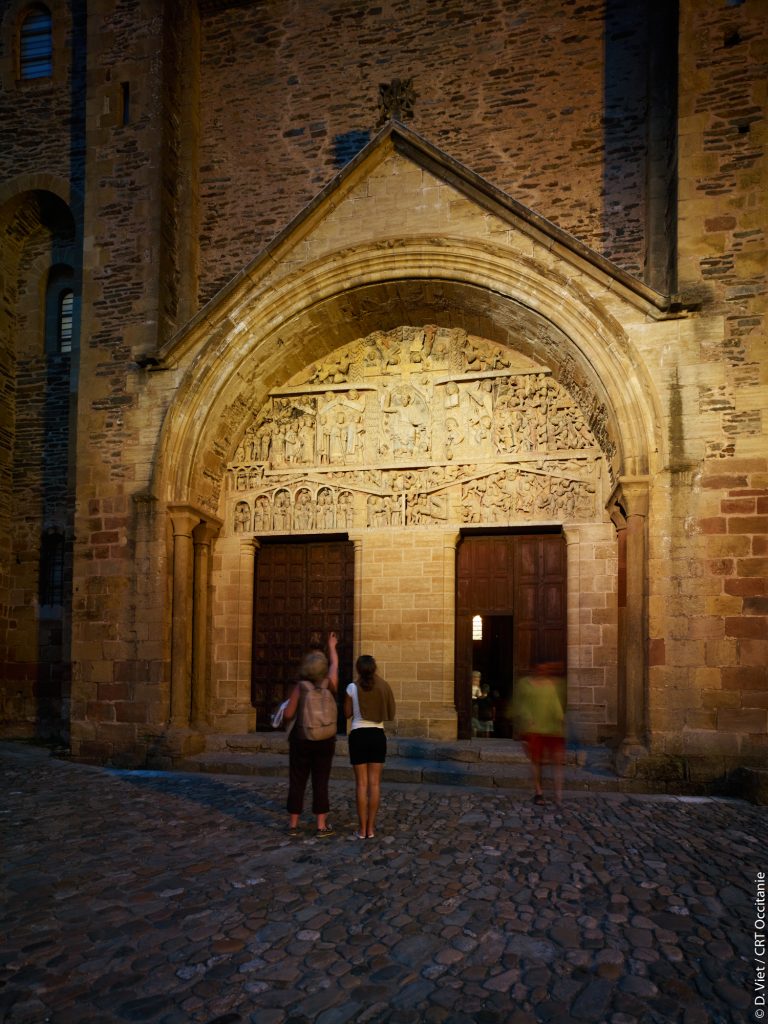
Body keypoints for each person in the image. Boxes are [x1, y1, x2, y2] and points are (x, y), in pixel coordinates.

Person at [283, 632, 339, 837]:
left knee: (298, 780)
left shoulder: (301, 687)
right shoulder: (329, 684)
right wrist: (332, 647)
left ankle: (293, 825)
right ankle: (321, 825)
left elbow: (289, 713)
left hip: (301, 739)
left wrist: (285, 712)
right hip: (325, 740)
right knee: (321, 781)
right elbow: (335, 667)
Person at [344, 654, 396, 839]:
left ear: (358, 669)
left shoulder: (352, 687)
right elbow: (389, 710)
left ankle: (362, 828)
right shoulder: (383, 686)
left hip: (358, 735)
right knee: (374, 784)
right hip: (377, 735)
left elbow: (347, 714)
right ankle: (371, 828)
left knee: (361, 784)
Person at [513, 661, 566, 805]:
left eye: (545, 669)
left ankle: (558, 794)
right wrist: (526, 720)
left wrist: (560, 721)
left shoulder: (550, 685)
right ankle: (539, 792)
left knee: (557, 762)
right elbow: (520, 704)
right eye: (540, 669)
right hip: (533, 730)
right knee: (536, 762)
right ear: (534, 669)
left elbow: (555, 705)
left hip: (552, 729)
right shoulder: (524, 684)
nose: (543, 671)